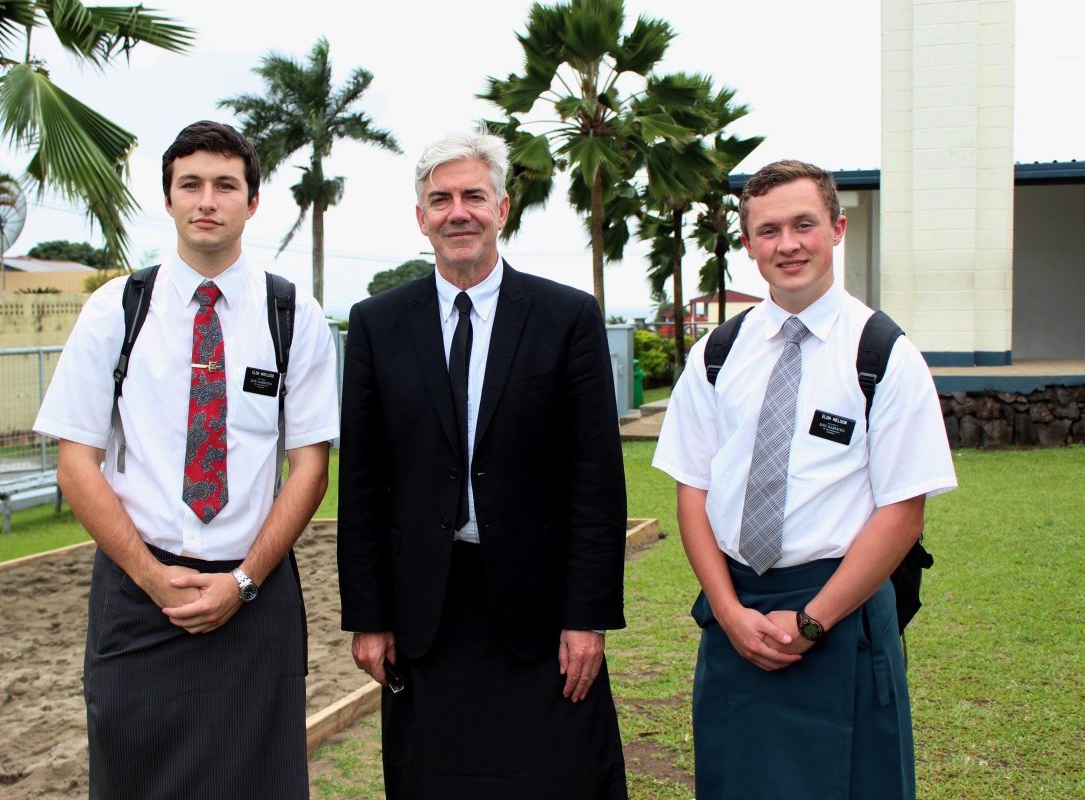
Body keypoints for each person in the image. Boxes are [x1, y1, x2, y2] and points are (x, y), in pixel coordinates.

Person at [33, 120, 339, 799]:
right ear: (167, 199)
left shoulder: (295, 315)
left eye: (226, 185)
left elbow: (310, 467)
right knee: (132, 779)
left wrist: (245, 582)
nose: (207, 199)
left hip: (254, 600)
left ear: (252, 203)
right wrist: (147, 574)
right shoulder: (116, 310)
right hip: (138, 599)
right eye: (190, 184)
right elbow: (76, 462)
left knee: (260, 782)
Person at [337, 129, 629, 799]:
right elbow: (362, 485)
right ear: (421, 218)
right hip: (426, 615)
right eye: (440, 200)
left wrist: (588, 617)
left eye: (474, 195)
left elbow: (596, 484)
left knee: (558, 780)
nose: (457, 212)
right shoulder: (378, 325)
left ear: (502, 208)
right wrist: (369, 615)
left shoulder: (567, 318)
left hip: (541, 610)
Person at [652, 159, 957, 799]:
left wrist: (813, 622)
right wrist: (730, 614)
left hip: (839, 617)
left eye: (803, 224)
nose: (787, 244)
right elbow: (692, 491)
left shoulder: (883, 354)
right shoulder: (716, 354)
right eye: (768, 230)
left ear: (837, 228)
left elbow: (904, 512)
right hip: (736, 617)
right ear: (747, 244)